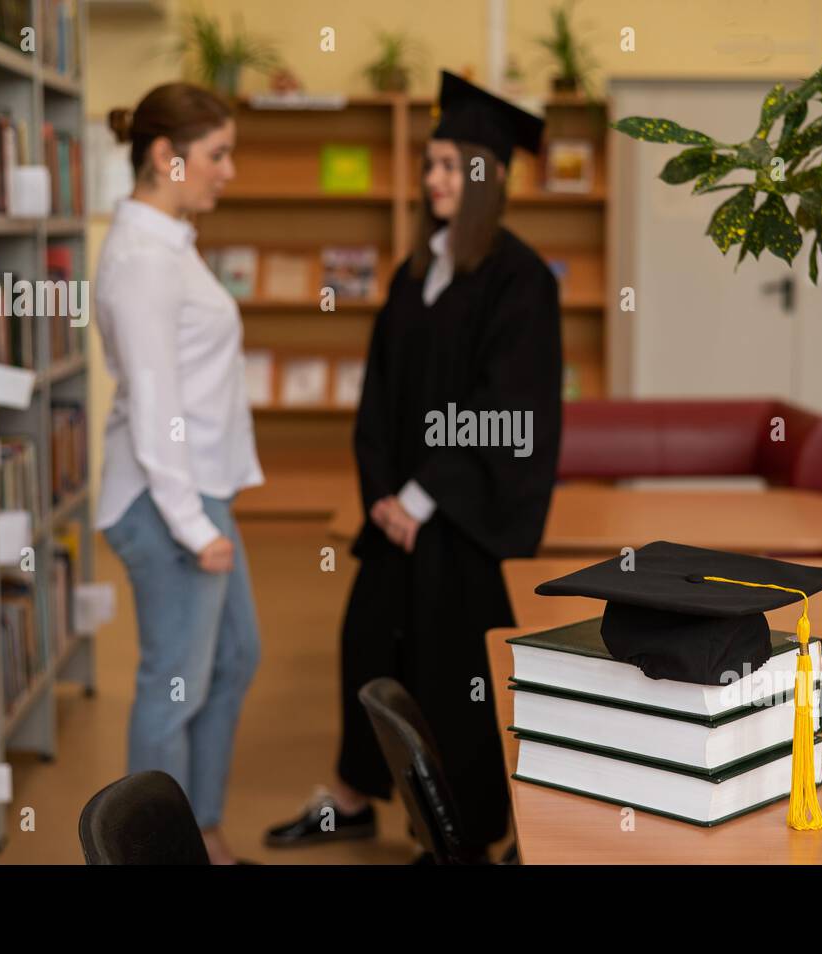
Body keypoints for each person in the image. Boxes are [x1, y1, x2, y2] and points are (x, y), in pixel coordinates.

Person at [265, 71, 563, 855]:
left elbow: (508, 412)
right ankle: (351, 797)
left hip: (462, 523)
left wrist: (422, 500)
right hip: (396, 517)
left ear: (485, 174)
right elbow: (381, 400)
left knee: (453, 679)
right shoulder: (414, 270)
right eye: (427, 164)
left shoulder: (520, 281)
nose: (432, 179)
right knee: (367, 644)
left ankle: (458, 839)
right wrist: (381, 500)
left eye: (447, 165)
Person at [96, 83, 263, 865]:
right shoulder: (140, 259)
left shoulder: (170, 239)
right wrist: (195, 527)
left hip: (201, 493)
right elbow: (158, 404)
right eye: (217, 155)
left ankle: (202, 829)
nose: (229, 171)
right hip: (170, 503)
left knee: (234, 658)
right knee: (174, 686)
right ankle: (153, 860)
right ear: (168, 159)